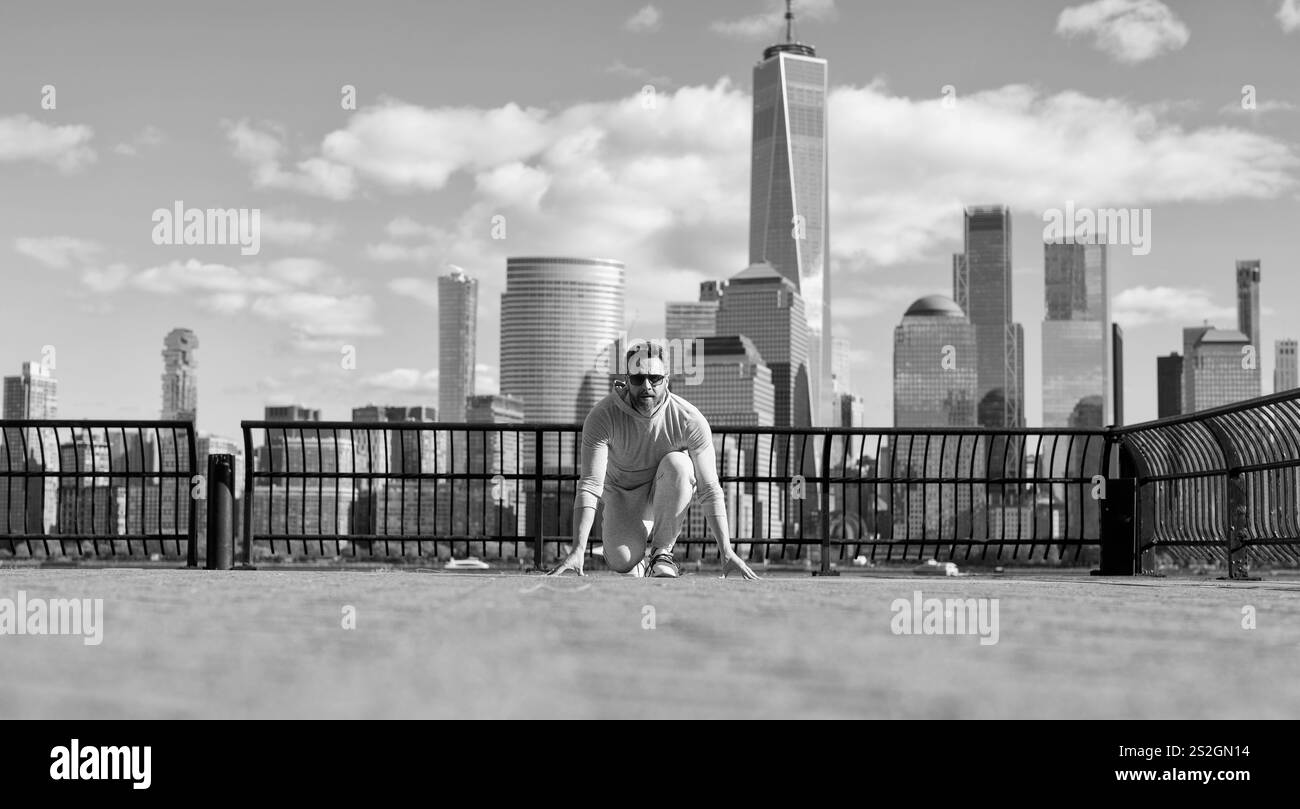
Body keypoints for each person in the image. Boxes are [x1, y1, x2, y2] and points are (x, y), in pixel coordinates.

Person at [548, 340, 759, 580]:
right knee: (620, 562)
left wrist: (727, 550)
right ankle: (637, 562)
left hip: (666, 486)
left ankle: (661, 553)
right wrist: (577, 550)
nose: (646, 385)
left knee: (679, 463)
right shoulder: (602, 416)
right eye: (638, 379)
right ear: (627, 380)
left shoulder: (689, 419)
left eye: (655, 378)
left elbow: (709, 488)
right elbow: (589, 485)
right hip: (622, 494)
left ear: (666, 380)